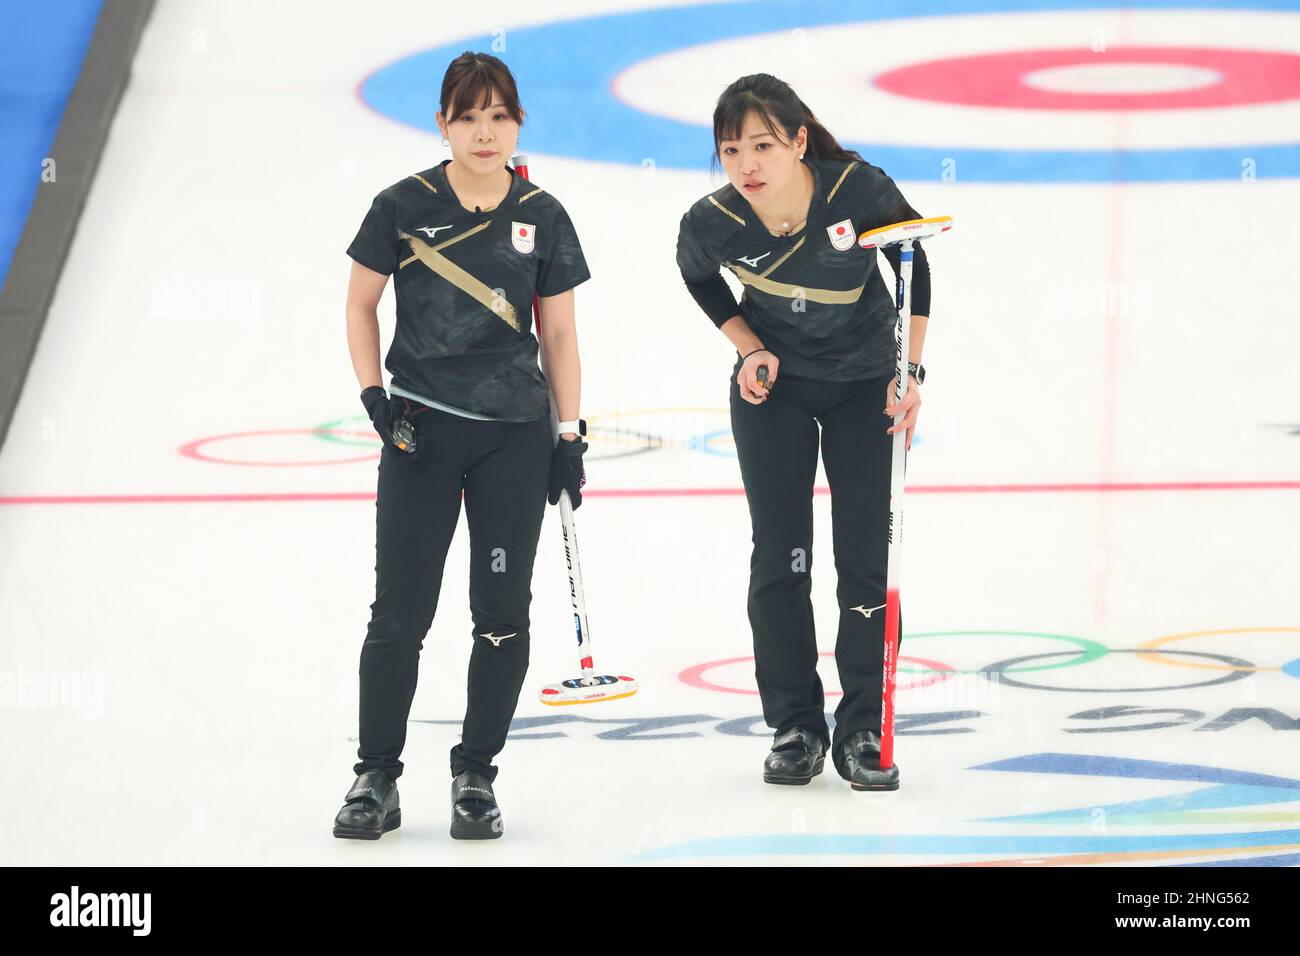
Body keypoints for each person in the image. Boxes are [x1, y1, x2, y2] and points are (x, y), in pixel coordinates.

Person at [335, 51, 591, 840]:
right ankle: (375, 779)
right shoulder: (401, 206)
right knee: (399, 616)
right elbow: (359, 304)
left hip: (514, 440)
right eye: (469, 116)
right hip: (420, 433)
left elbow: (559, 332)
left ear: (518, 124)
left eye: (499, 115)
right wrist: (376, 397)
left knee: (502, 616)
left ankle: (476, 775)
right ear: (442, 123)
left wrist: (569, 434)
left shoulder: (543, 213)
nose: (485, 131)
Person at [675, 73, 932, 791]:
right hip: (774, 393)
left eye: (762, 144)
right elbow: (699, 279)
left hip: (861, 390)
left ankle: (862, 730)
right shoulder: (713, 221)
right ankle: (794, 726)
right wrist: (747, 345)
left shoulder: (856, 189)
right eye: (730, 150)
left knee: (864, 561)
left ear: (797, 141)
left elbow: (916, 263)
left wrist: (910, 372)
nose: (747, 164)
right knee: (781, 559)